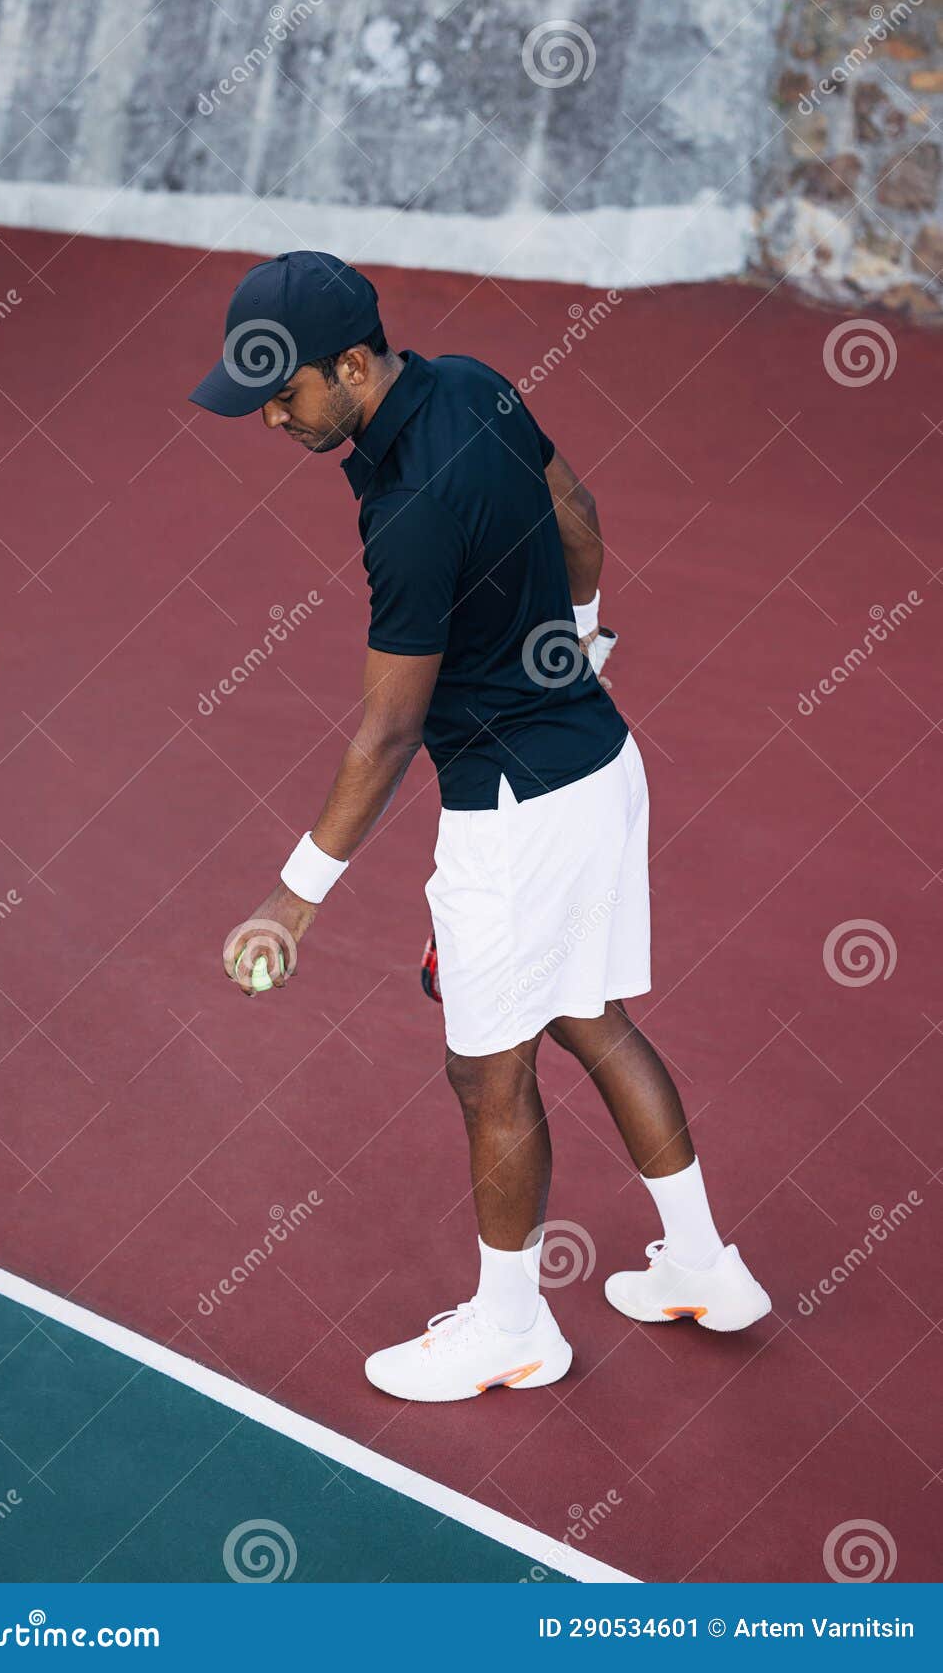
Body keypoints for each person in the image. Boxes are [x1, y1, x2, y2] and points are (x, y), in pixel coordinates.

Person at [191, 250, 770, 1403]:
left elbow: (388, 730)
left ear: (352, 364)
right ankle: (706, 1264)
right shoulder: (469, 380)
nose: (267, 414)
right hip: (600, 764)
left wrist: (291, 897)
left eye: (285, 389)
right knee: (590, 1017)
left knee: (485, 1074)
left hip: (513, 819)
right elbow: (581, 517)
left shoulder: (406, 513)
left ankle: (512, 1327)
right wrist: (580, 653)